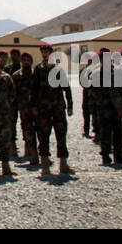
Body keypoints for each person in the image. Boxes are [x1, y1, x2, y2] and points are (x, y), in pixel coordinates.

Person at [32, 44, 74, 175]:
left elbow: (67, 88)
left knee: (61, 134)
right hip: (43, 108)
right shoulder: (38, 69)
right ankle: (45, 165)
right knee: (43, 136)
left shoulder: (59, 70)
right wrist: (34, 106)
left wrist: (70, 106)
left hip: (58, 108)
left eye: (47, 51)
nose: (45, 54)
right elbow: (34, 89)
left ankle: (63, 164)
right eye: (43, 52)